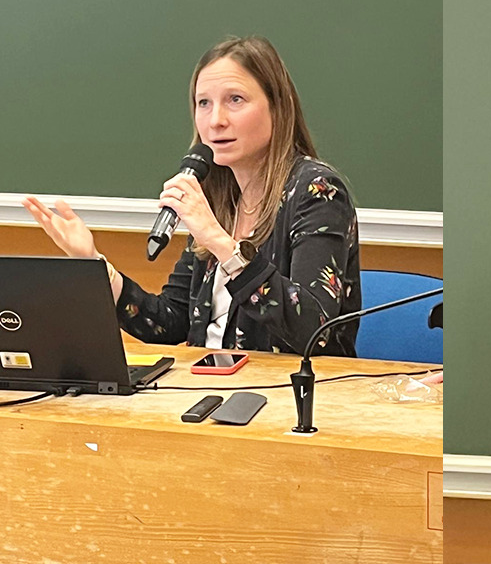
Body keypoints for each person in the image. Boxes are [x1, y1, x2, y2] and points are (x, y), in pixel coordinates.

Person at [22, 36, 360, 356]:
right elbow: (170, 321)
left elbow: (315, 330)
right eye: (204, 103)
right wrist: (95, 266)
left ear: (278, 107)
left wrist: (218, 240)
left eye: (235, 100)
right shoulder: (218, 198)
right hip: (211, 388)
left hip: (294, 400)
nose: (215, 120)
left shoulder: (317, 192)